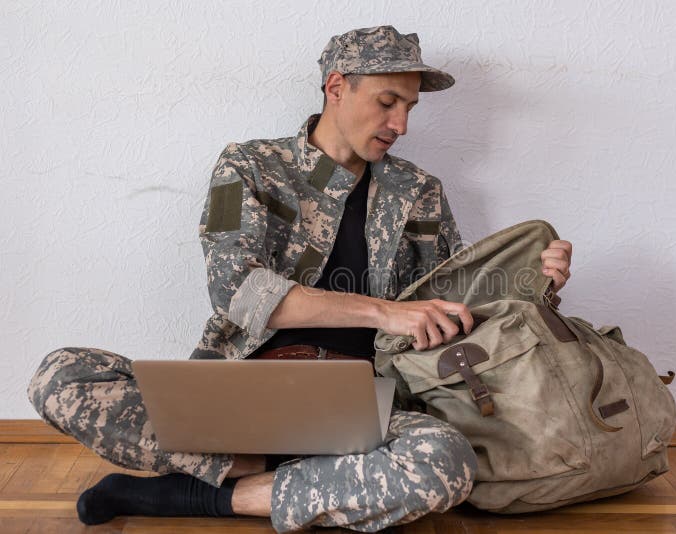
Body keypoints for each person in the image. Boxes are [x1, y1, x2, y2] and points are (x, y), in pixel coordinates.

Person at [27, 25, 573, 532]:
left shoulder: (419, 191)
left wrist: (532, 286)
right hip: (242, 391)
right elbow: (237, 291)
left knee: (447, 465)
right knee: (61, 376)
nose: (401, 125)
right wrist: (382, 310)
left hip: (371, 405)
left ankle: (200, 494)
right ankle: (292, 472)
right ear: (337, 86)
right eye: (388, 102)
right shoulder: (249, 166)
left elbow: (454, 307)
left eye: (409, 107)